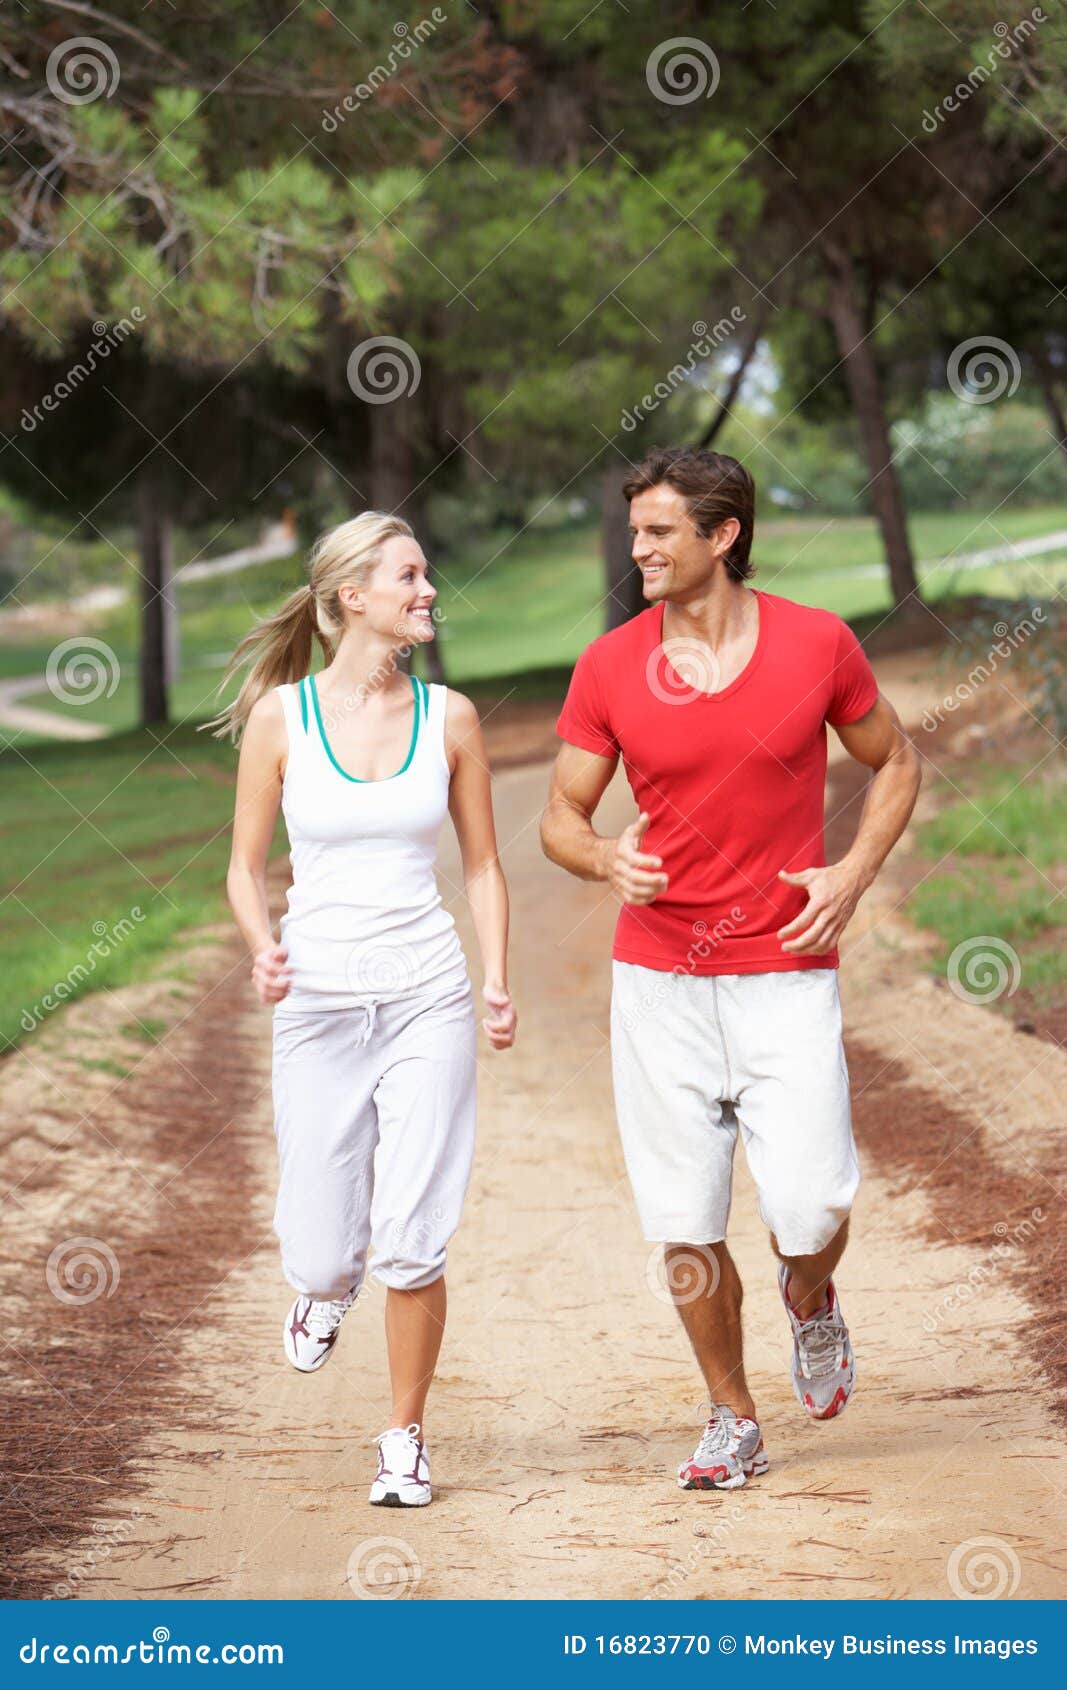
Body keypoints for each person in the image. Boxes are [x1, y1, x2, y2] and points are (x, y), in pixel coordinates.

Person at [540, 447, 920, 1493]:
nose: (638, 550)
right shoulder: (611, 664)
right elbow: (558, 818)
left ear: (722, 536)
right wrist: (604, 854)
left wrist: (849, 872)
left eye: (659, 532)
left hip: (782, 972)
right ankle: (730, 1415)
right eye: (633, 531)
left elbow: (894, 759)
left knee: (807, 1207)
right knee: (683, 1217)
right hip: (657, 982)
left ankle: (808, 1298)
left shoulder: (814, 643)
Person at [214, 511, 516, 1508]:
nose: (428, 591)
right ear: (353, 597)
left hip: (425, 995)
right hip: (319, 1006)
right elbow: (243, 868)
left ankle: (403, 1438)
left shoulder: (451, 717)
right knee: (317, 1245)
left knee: (415, 1236)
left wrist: (494, 975)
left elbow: (480, 864)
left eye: (426, 575)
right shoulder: (281, 719)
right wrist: (264, 950)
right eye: (409, 576)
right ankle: (322, 1283)